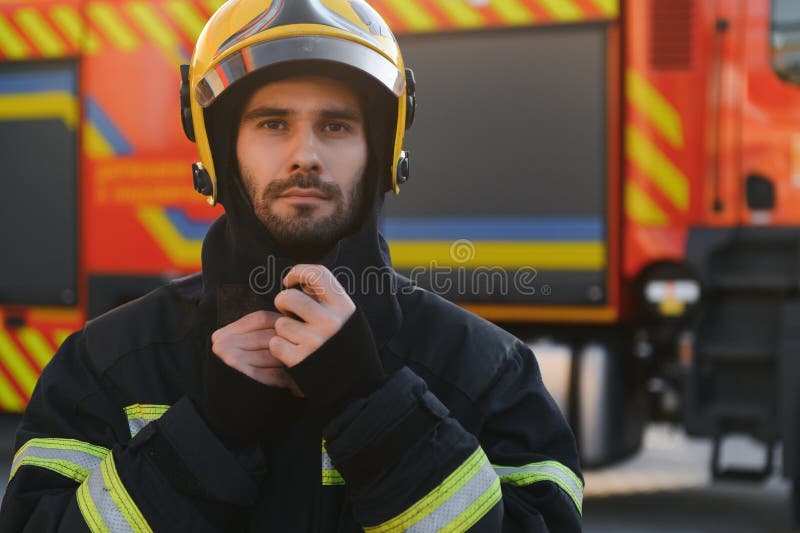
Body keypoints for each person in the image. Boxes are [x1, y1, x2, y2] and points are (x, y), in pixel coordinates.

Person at [0, 0, 583, 531]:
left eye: (336, 126)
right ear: (220, 149)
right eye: (272, 123)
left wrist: (372, 407)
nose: (305, 155)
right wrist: (205, 433)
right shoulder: (106, 365)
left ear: (381, 152)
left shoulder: (488, 373)